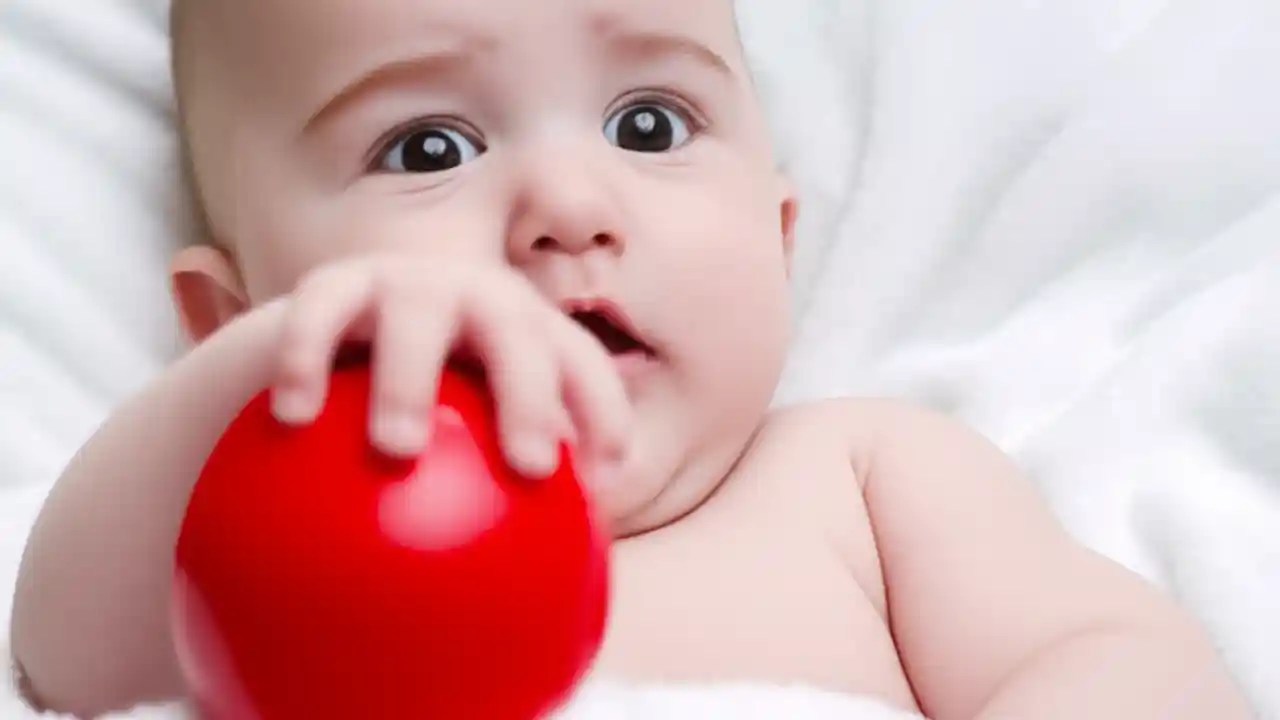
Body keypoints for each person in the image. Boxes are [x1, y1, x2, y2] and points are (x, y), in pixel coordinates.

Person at [9, 1, 1252, 717]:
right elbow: (62, 667)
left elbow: (1121, 665)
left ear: (776, 236)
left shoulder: (861, 484)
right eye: (428, 149)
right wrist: (267, 382)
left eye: (647, 125)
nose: (566, 204)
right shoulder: (272, 544)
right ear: (231, 320)